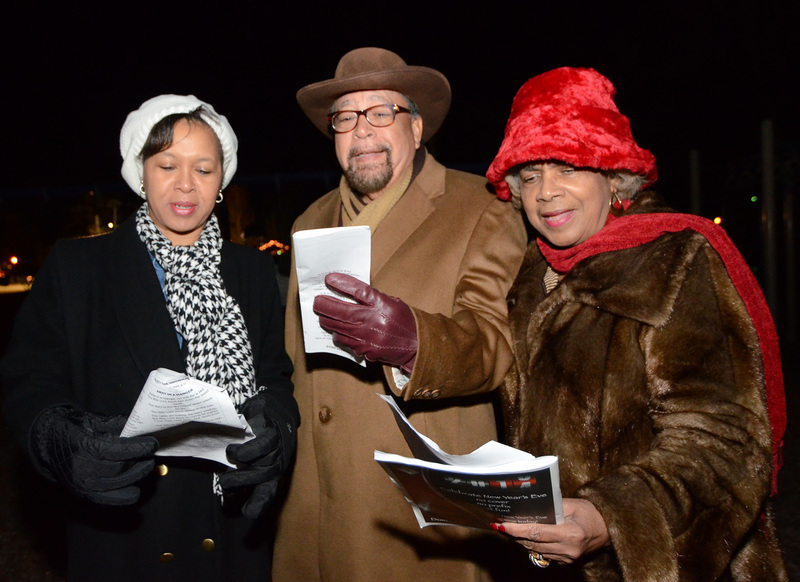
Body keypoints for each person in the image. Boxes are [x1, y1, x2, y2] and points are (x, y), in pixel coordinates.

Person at [484, 66, 789, 581]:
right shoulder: (537, 270)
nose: (545, 193)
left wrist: (612, 516)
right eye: (530, 175)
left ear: (612, 174)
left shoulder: (676, 262)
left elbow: (727, 443)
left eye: (567, 168)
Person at [1, 94, 299, 582]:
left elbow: (275, 376)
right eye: (167, 165)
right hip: (124, 538)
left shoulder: (250, 270)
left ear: (221, 182)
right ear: (140, 174)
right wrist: (55, 438)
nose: (185, 184)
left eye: (203, 169)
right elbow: (28, 380)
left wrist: (279, 431)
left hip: (231, 535)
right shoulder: (78, 269)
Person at [272, 47, 528, 581]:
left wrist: (412, 341)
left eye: (382, 112)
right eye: (346, 117)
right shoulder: (307, 221)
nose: (362, 131)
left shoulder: (481, 206)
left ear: (416, 128)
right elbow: (296, 366)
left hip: (418, 527)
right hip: (314, 513)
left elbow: (493, 346)